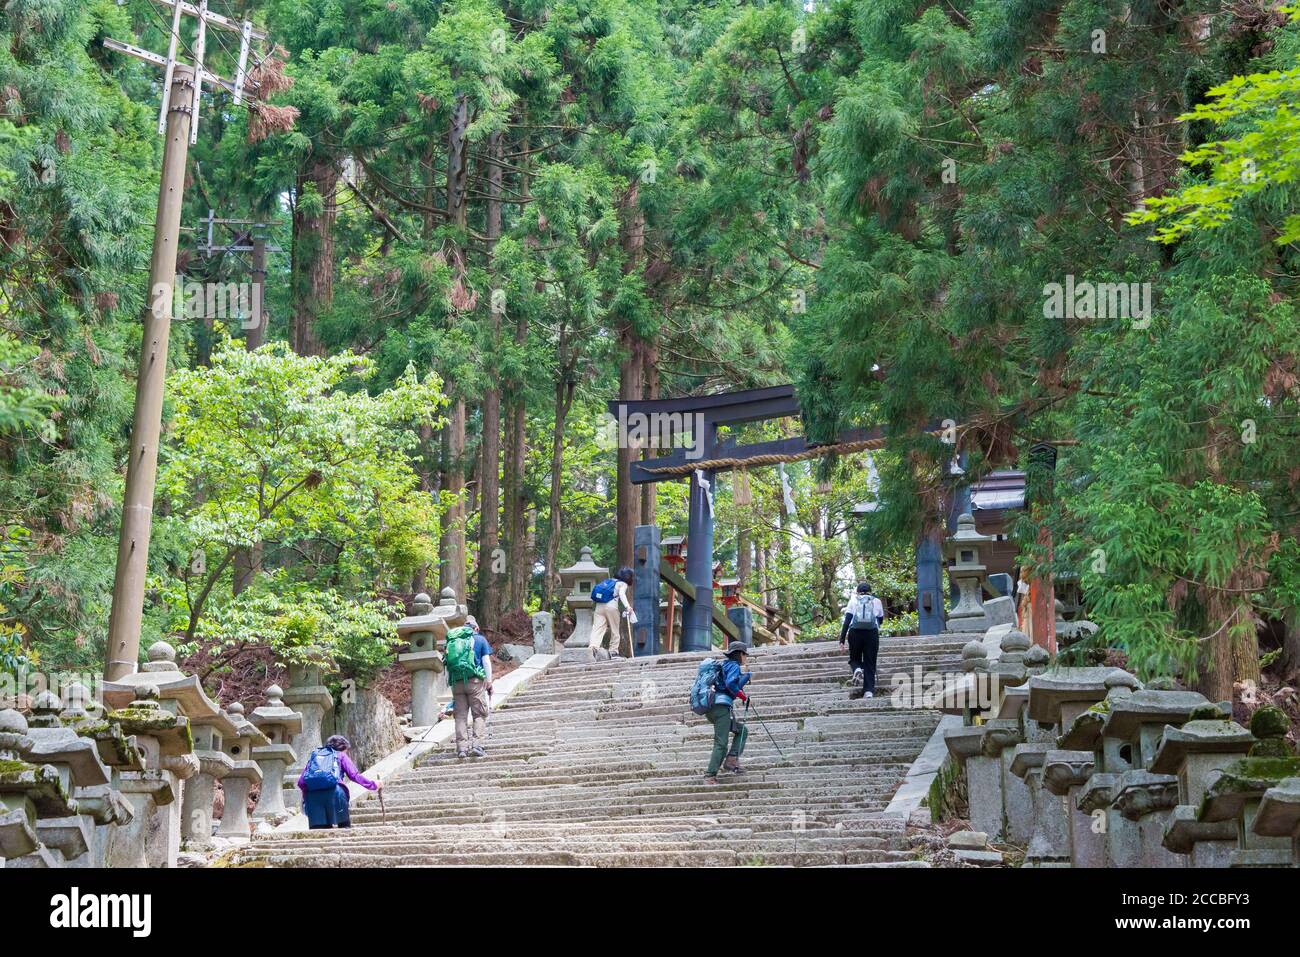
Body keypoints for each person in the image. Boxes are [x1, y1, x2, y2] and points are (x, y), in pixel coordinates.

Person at [298, 734, 381, 830]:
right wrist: (373, 785)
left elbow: (301, 782)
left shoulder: (315, 756)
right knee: (344, 829)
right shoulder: (340, 755)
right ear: (343, 748)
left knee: (320, 834)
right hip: (335, 794)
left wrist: (307, 797)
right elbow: (354, 775)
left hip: (313, 797)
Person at [704, 641, 752, 784]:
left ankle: (731, 759)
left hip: (712, 707)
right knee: (721, 743)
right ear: (740, 654)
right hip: (720, 708)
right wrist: (742, 696)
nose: (746, 658)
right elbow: (731, 683)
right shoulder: (734, 666)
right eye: (745, 655)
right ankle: (710, 775)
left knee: (742, 730)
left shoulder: (724, 665)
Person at [445, 622, 493, 758]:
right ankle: (477, 745)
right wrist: (489, 682)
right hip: (475, 682)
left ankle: (461, 749)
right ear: (476, 628)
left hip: (457, 683)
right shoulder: (480, 639)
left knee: (460, 716)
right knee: (479, 714)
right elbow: (486, 662)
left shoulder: (453, 641)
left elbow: (447, 664)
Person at [839, 582, 884, 699]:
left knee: (854, 658)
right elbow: (880, 619)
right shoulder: (877, 601)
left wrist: (842, 640)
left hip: (855, 633)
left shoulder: (853, 600)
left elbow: (847, 621)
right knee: (870, 662)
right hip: (871, 634)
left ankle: (857, 669)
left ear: (858, 592)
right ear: (870, 591)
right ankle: (868, 691)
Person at [589, 566, 636, 659]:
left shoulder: (609, 581)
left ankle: (593, 648)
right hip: (611, 606)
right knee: (614, 629)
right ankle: (613, 651)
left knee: (597, 628)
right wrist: (628, 606)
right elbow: (622, 594)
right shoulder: (622, 584)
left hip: (599, 606)